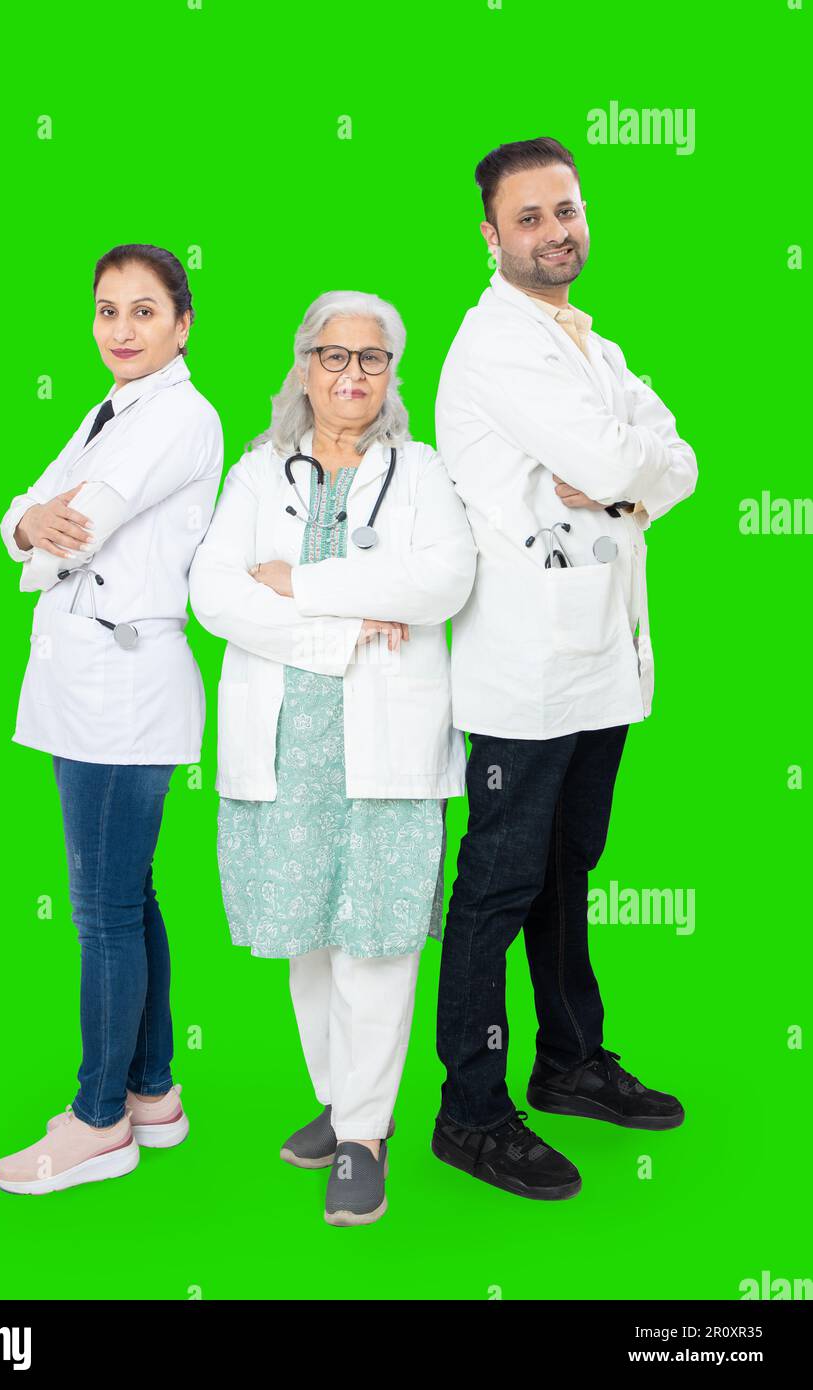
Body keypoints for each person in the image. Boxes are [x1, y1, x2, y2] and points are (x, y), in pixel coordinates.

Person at [433, 138, 698, 1201]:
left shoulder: (588, 341)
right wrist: (619, 464)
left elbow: (673, 456)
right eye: (531, 218)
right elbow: (610, 459)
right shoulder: (497, 346)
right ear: (493, 237)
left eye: (568, 209)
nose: (557, 231)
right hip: (526, 666)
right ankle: (471, 1108)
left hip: (597, 659)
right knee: (498, 882)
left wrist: (626, 471)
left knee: (566, 866)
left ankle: (570, 1059)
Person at [188, 290, 476, 1225]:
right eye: (333, 356)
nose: (351, 375)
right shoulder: (254, 470)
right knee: (304, 937)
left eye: (372, 359)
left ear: (391, 374)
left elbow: (441, 580)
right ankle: (340, 1096)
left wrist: (302, 583)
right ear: (303, 365)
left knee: (377, 939)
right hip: (282, 742)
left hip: (386, 747)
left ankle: (363, 1134)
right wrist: (346, 630)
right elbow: (214, 593)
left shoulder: (420, 473)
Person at [0, 244, 223, 1195]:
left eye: (142, 312)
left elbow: (70, 526)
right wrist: (24, 523)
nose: (120, 331)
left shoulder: (179, 418)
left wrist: (35, 534)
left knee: (101, 909)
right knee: (128, 895)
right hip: (88, 682)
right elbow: (19, 512)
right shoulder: (111, 411)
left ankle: (97, 1122)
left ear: (182, 322)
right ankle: (150, 1091)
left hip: (119, 688)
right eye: (105, 311)